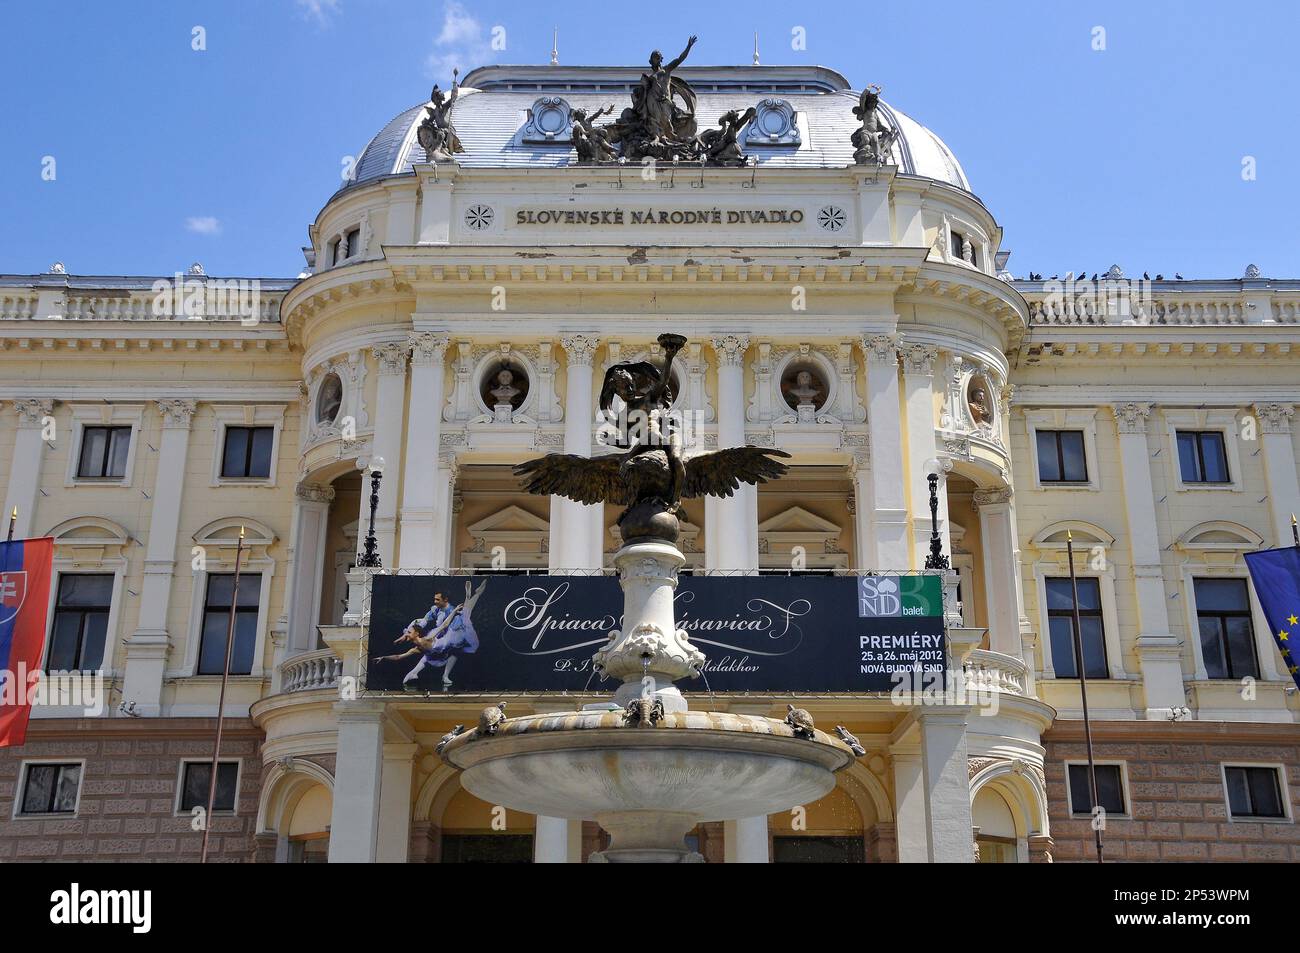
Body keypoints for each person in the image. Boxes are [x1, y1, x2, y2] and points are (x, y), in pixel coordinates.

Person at [376, 580, 486, 691]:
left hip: (453, 635)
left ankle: (472, 596)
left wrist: (455, 611)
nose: (435, 601)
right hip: (441, 648)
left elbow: (445, 625)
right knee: (432, 654)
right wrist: (384, 657)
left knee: (466, 616)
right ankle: (414, 673)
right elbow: (398, 656)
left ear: (445, 599)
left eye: (437, 599)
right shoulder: (416, 648)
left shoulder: (429, 637)